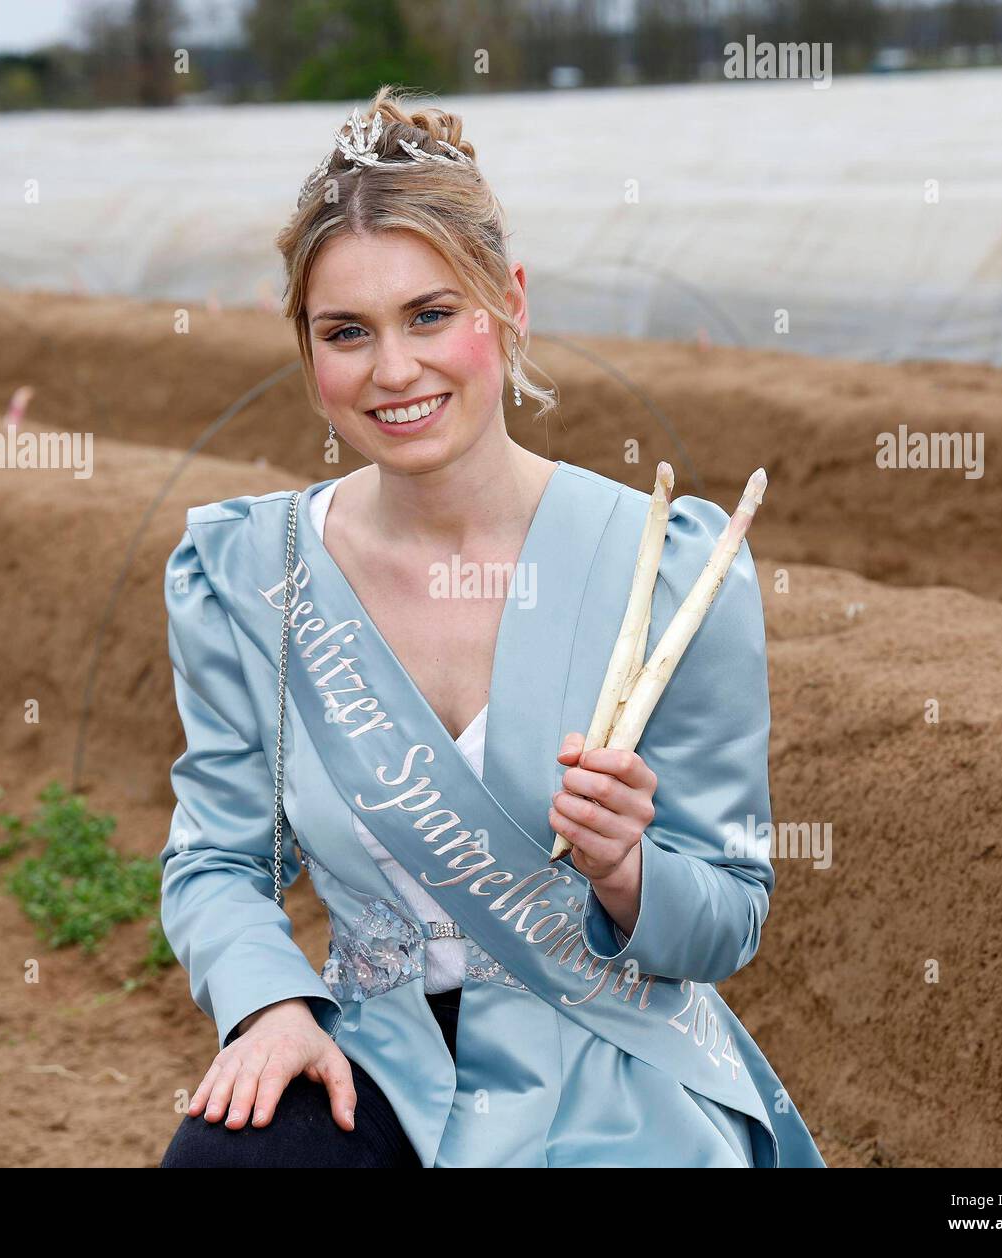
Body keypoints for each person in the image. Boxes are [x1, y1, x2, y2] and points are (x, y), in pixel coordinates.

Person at [158, 86, 825, 1168]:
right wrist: (267, 1003)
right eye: (346, 332)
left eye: (430, 315)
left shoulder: (670, 567)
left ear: (508, 302)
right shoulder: (251, 573)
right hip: (384, 1053)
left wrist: (627, 872)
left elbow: (730, 912)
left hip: (615, 1065)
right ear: (308, 351)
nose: (393, 370)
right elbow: (218, 859)